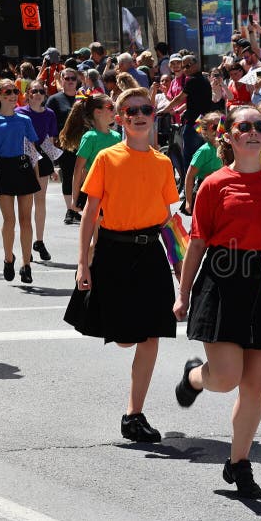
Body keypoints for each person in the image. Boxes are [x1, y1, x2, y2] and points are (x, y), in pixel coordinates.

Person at [172, 105, 261, 499]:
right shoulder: (213, 184)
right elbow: (196, 244)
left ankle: (238, 462)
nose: (253, 131)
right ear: (227, 136)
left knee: (254, 386)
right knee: (226, 377)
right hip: (221, 276)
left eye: (259, 126)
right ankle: (196, 376)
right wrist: (182, 294)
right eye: (243, 126)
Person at [64, 87, 180, 444]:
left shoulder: (163, 163)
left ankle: (134, 414)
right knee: (127, 339)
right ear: (120, 118)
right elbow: (89, 215)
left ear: (153, 114)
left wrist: (180, 266)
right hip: (113, 252)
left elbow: (168, 220)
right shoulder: (107, 159)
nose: (139, 114)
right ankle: (133, 400)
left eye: (145, 108)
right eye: (130, 111)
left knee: (151, 334)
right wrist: (83, 263)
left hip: (150, 254)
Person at [0, 78, 41, 282]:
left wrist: (37, 176)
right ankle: (8, 259)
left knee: (26, 220)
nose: (13, 95)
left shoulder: (24, 120)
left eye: (15, 91)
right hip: (3, 169)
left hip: (23, 168)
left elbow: (32, 150)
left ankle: (26, 264)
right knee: (9, 220)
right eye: (7, 92)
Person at [16, 80, 58, 261]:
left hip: (42, 156)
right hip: (24, 155)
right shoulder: (19, 113)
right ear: (28, 95)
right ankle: (26, 243)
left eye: (41, 91)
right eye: (35, 91)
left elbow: (50, 140)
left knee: (40, 201)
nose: (39, 93)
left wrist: (54, 166)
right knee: (26, 203)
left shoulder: (49, 114)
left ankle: (39, 241)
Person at [58, 92, 121, 215]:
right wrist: (74, 198)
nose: (114, 111)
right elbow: (78, 169)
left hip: (113, 190)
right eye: (110, 107)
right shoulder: (90, 137)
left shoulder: (117, 137)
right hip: (94, 191)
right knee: (97, 227)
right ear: (98, 112)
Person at [160, 56, 211, 177]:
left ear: (196, 64)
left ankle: (188, 184)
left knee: (190, 156)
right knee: (201, 154)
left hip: (194, 123)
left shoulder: (192, 80)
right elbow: (195, 101)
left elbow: (180, 98)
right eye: (183, 67)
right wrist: (180, 110)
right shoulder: (204, 79)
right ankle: (197, 183)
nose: (185, 70)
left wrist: (165, 109)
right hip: (202, 122)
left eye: (187, 66)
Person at [47, 67, 81, 225]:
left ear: (77, 80)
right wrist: (51, 142)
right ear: (61, 80)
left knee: (82, 177)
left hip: (83, 142)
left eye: (72, 78)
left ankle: (78, 208)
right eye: (66, 78)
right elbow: (49, 121)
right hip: (64, 143)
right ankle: (70, 209)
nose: (70, 81)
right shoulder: (54, 100)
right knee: (68, 175)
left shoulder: (83, 98)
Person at [183, 112, 223, 215]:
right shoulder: (204, 151)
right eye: (214, 127)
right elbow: (190, 175)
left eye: (222, 124)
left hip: (221, 190)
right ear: (205, 131)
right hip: (205, 190)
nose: (218, 130)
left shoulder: (227, 148)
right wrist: (188, 201)